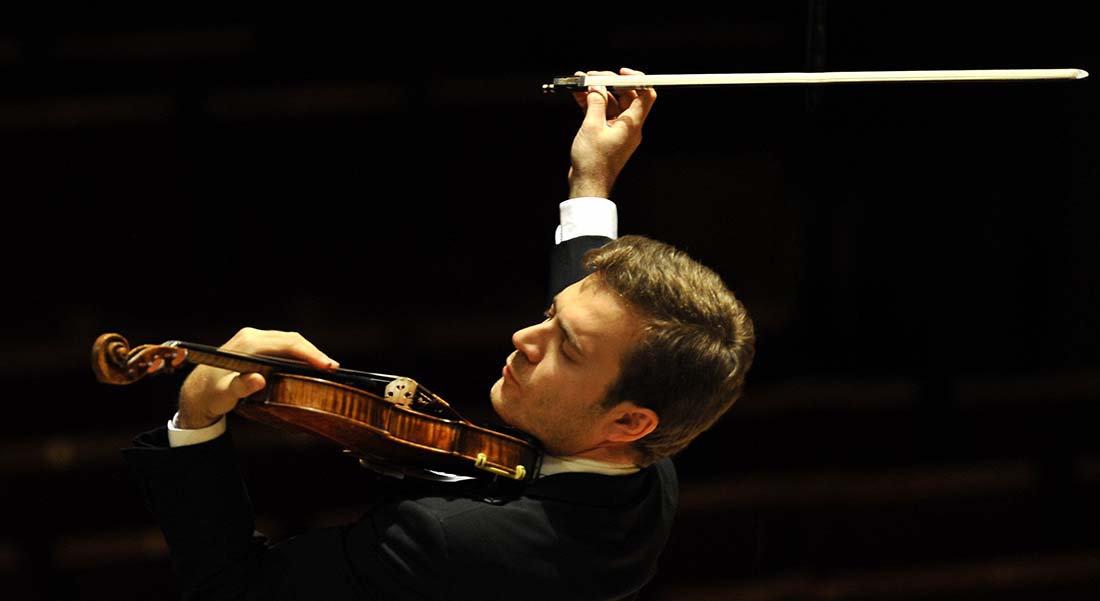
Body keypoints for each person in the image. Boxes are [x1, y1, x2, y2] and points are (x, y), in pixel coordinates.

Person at [122, 67, 755, 601]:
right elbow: (593, 305)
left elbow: (233, 587)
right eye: (551, 316)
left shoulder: (445, 543)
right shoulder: (650, 458)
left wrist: (196, 421)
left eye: (565, 348)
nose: (523, 337)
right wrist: (590, 178)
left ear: (628, 422)